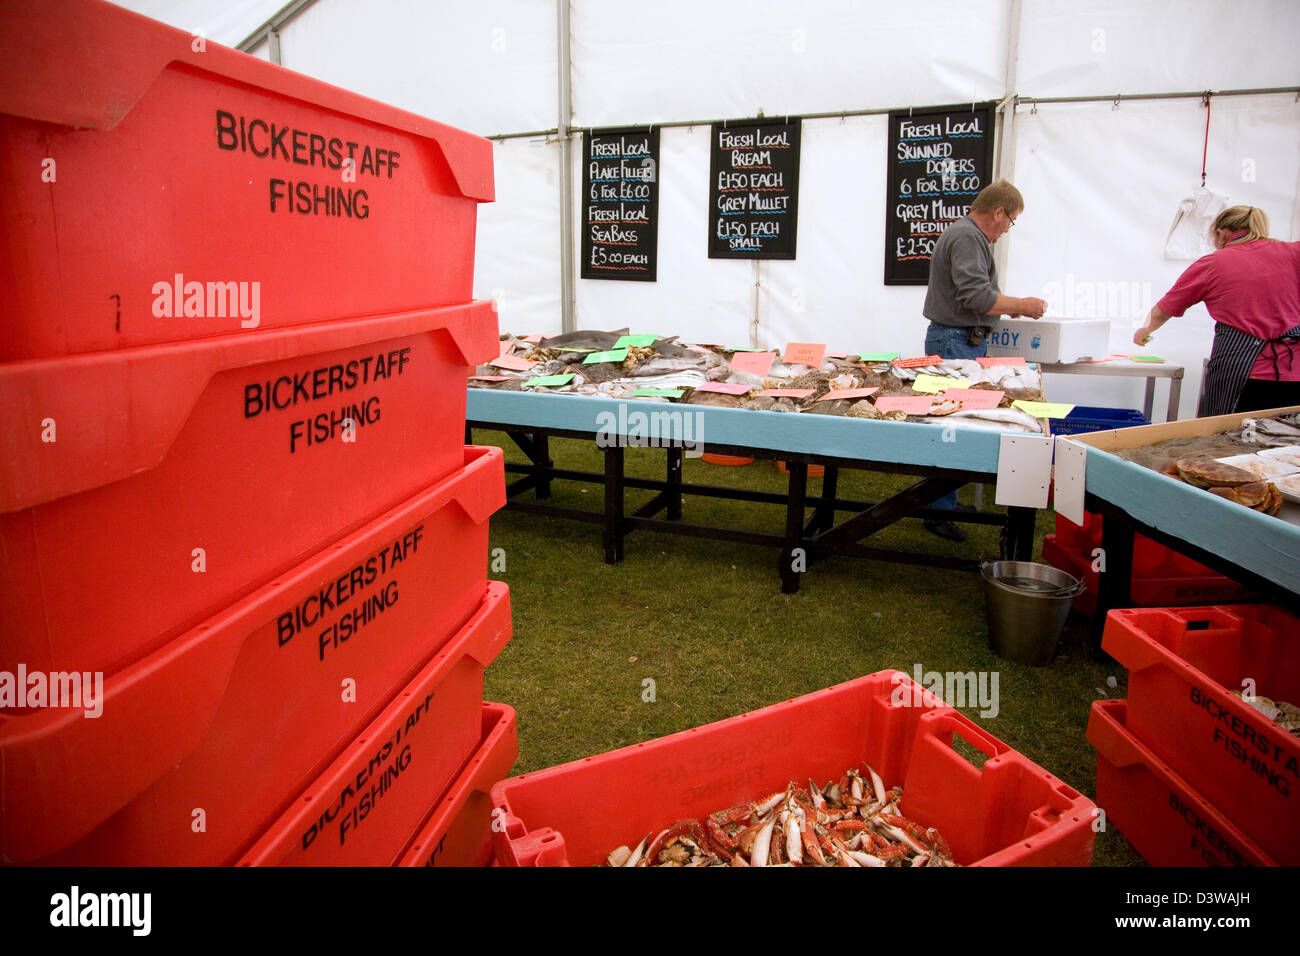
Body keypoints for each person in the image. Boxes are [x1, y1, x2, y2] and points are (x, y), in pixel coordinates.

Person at [920, 180, 1048, 542]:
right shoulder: (966, 237)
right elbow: (976, 295)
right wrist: (1021, 305)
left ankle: (941, 501)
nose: (1008, 229)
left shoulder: (968, 236)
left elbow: (978, 295)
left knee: (956, 422)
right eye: (1011, 221)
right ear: (998, 212)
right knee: (953, 424)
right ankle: (936, 508)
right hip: (955, 341)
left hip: (958, 340)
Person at [1134, 205, 1300, 416]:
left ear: (1222, 232)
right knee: (1286, 443)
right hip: (1295, 373)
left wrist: (1145, 331)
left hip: (1243, 375)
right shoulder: (1294, 252)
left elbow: (1164, 308)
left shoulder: (1214, 262)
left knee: (1228, 442)